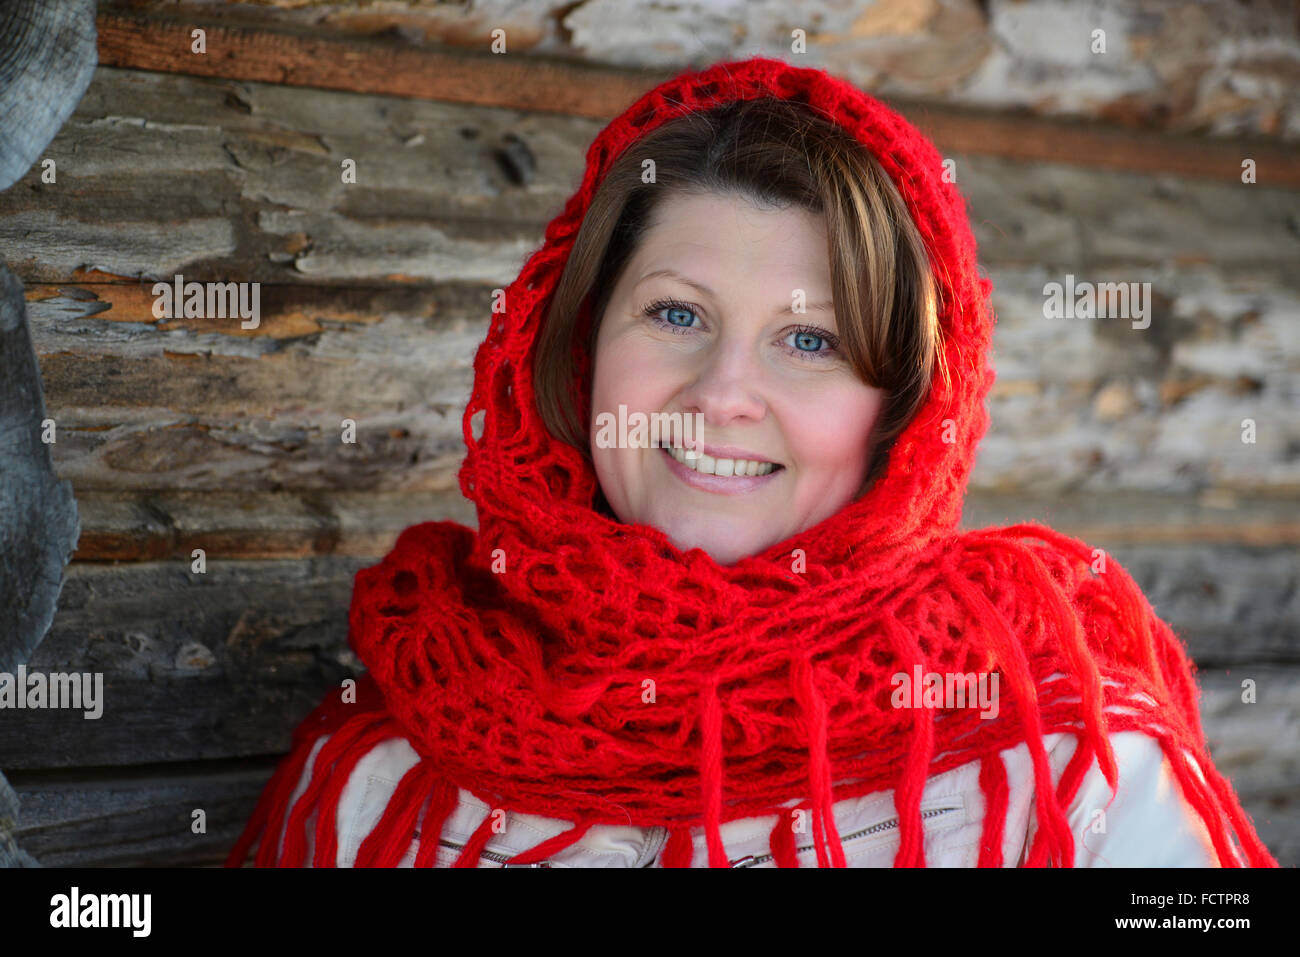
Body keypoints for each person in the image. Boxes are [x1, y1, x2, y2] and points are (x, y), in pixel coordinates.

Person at [227, 57, 1276, 868]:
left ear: (902, 411)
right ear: (578, 346)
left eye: (810, 339)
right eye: (675, 314)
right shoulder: (382, 762)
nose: (723, 392)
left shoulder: (1064, 775)